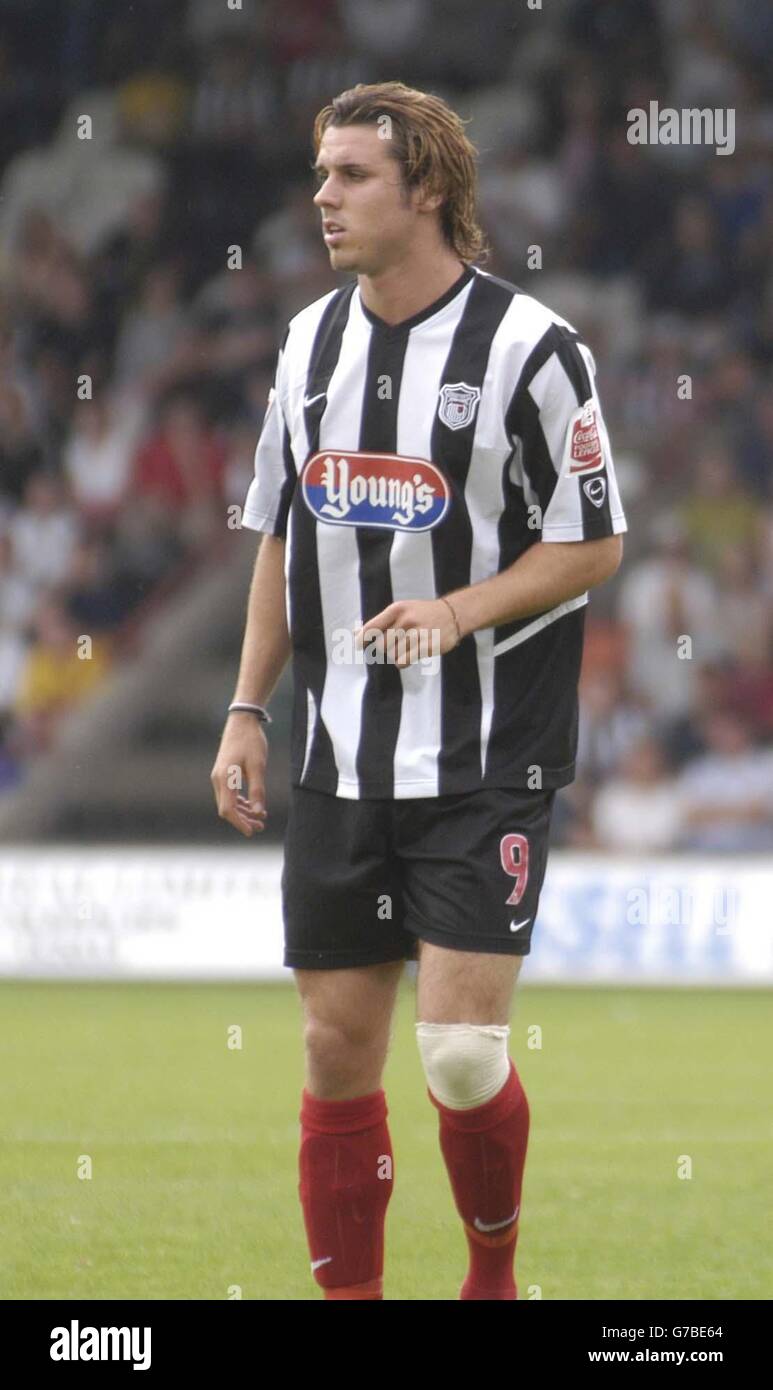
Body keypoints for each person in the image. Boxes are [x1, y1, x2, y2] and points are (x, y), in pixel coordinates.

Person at [210, 81, 626, 1301]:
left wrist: (454, 610)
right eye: (321, 172)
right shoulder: (306, 344)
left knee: (453, 1053)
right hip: (340, 753)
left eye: (351, 176)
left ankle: (488, 1276)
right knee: (337, 1054)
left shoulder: (535, 351)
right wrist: (246, 706)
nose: (322, 197)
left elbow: (592, 541)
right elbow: (279, 537)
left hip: (488, 754)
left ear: (426, 190)